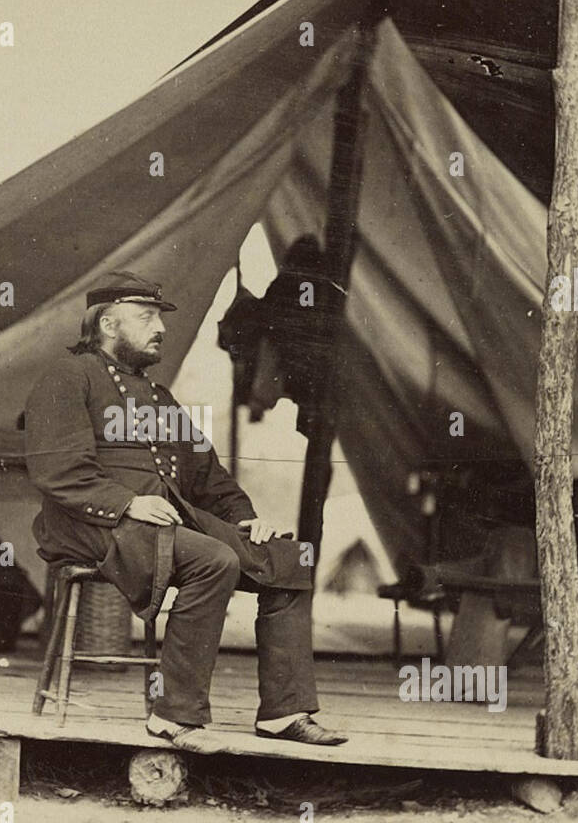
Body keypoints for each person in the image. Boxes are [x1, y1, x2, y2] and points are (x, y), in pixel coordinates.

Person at [23, 270, 347, 747]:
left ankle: (283, 712)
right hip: (88, 523)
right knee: (213, 560)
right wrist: (129, 503)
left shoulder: (159, 397)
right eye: (146, 316)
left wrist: (244, 518)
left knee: (291, 560)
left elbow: (209, 477)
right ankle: (174, 717)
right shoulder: (68, 377)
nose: (161, 327)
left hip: (163, 520)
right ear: (109, 324)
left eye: (159, 317)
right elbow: (58, 471)